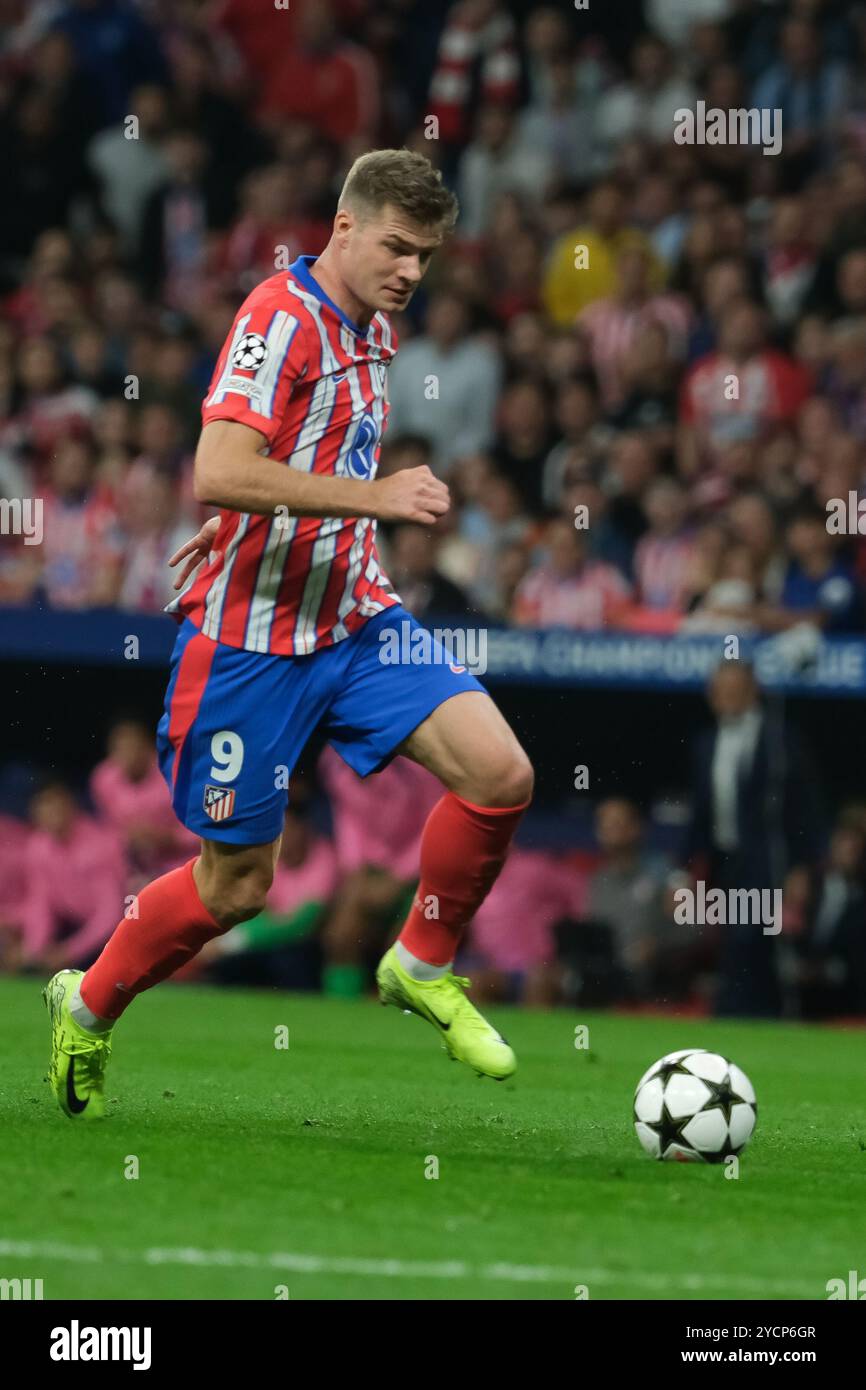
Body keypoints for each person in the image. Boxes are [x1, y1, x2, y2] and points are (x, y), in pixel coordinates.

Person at [44, 148, 534, 1118]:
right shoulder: (278, 316)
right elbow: (219, 464)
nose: (410, 271)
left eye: (426, 256)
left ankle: (419, 960)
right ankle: (88, 1003)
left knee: (501, 775)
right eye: (396, 247)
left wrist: (243, 522)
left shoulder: (375, 329)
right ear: (343, 228)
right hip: (248, 646)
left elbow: (283, 454)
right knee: (236, 888)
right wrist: (368, 498)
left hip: (352, 616)